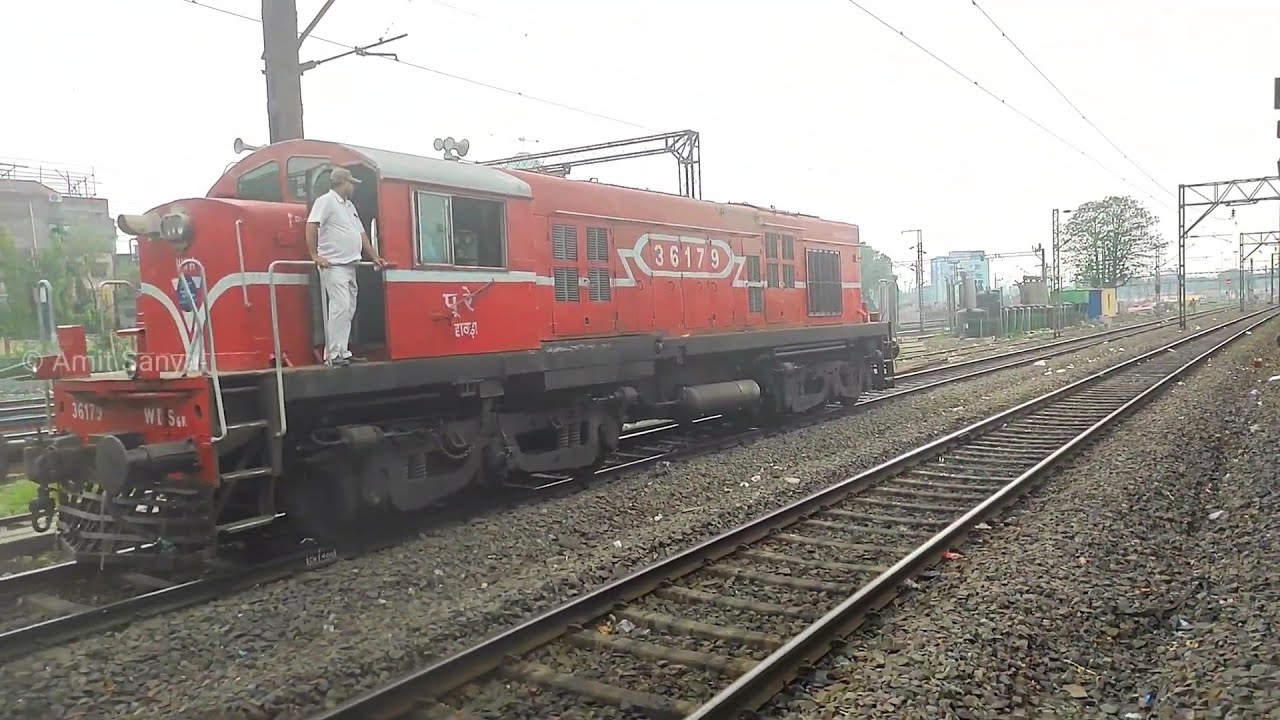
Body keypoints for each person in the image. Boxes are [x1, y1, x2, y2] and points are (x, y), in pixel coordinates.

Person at [306, 167, 387, 367]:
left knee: (349, 307)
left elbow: (361, 233)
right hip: (334, 264)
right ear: (342, 183)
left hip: (351, 264)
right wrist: (315, 255)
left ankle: (343, 350)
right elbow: (311, 225)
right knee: (339, 306)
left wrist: (374, 256)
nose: (353, 187)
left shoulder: (349, 206)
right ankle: (332, 354)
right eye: (351, 183)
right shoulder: (325, 201)